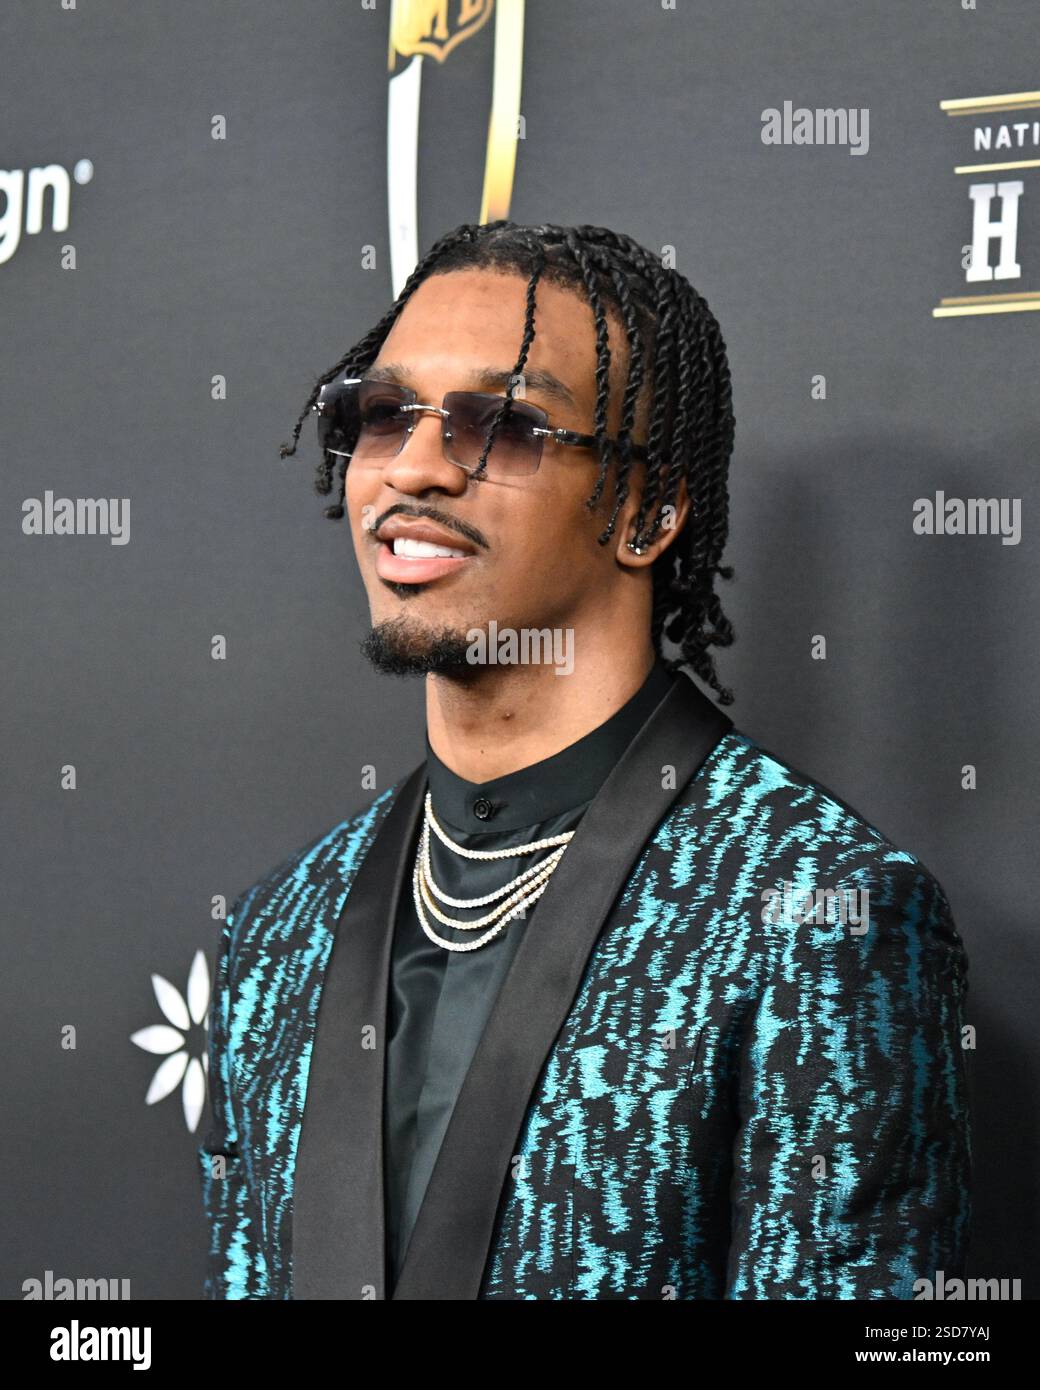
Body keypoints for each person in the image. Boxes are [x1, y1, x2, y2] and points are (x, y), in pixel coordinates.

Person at [197, 221, 971, 1300]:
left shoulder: (814, 908)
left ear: (647, 511)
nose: (413, 466)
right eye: (382, 415)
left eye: (500, 427)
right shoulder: (282, 927)